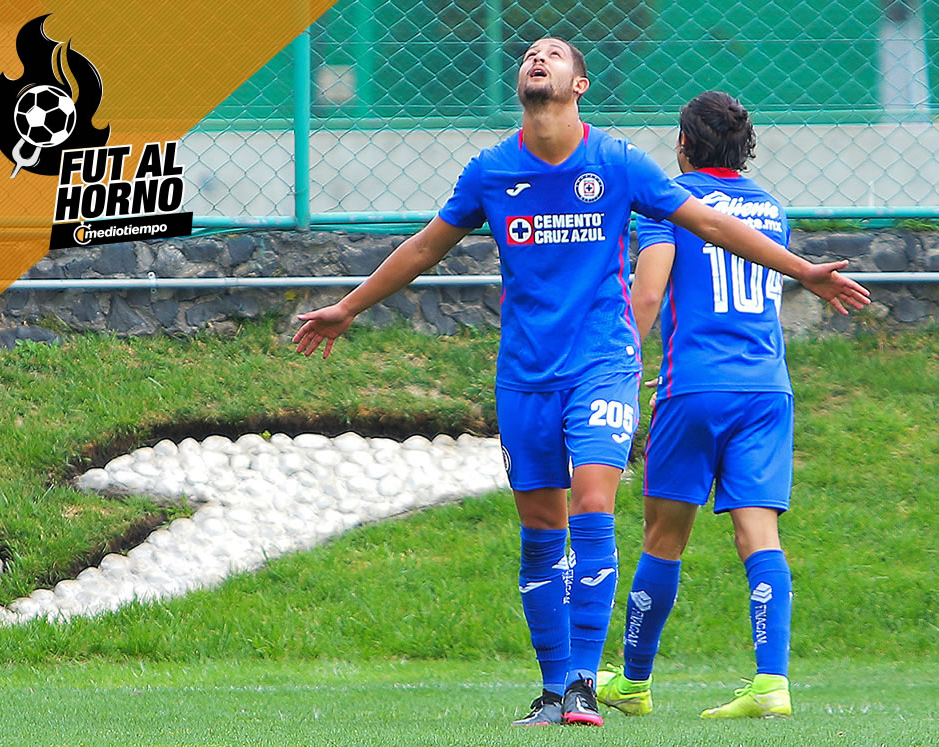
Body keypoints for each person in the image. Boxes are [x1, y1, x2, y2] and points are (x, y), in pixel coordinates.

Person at [292, 41, 868, 727]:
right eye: (530, 54)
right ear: (522, 82)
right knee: (540, 527)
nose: (538, 58)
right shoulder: (490, 170)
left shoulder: (618, 163)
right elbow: (423, 246)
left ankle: (586, 687)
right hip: (525, 374)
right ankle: (553, 687)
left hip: (603, 363)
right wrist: (348, 306)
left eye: (554, 54)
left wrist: (802, 271)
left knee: (593, 501)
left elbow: (711, 221)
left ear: (580, 83)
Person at [596, 91, 821, 719]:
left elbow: (648, 292)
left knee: (663, 536)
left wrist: (621, 364)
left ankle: (634, 683)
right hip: (766, 388)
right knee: (760, 533)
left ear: (683, 143)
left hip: (694, 385)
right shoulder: (771, 210)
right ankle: (771, 683)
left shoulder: (670, 200)